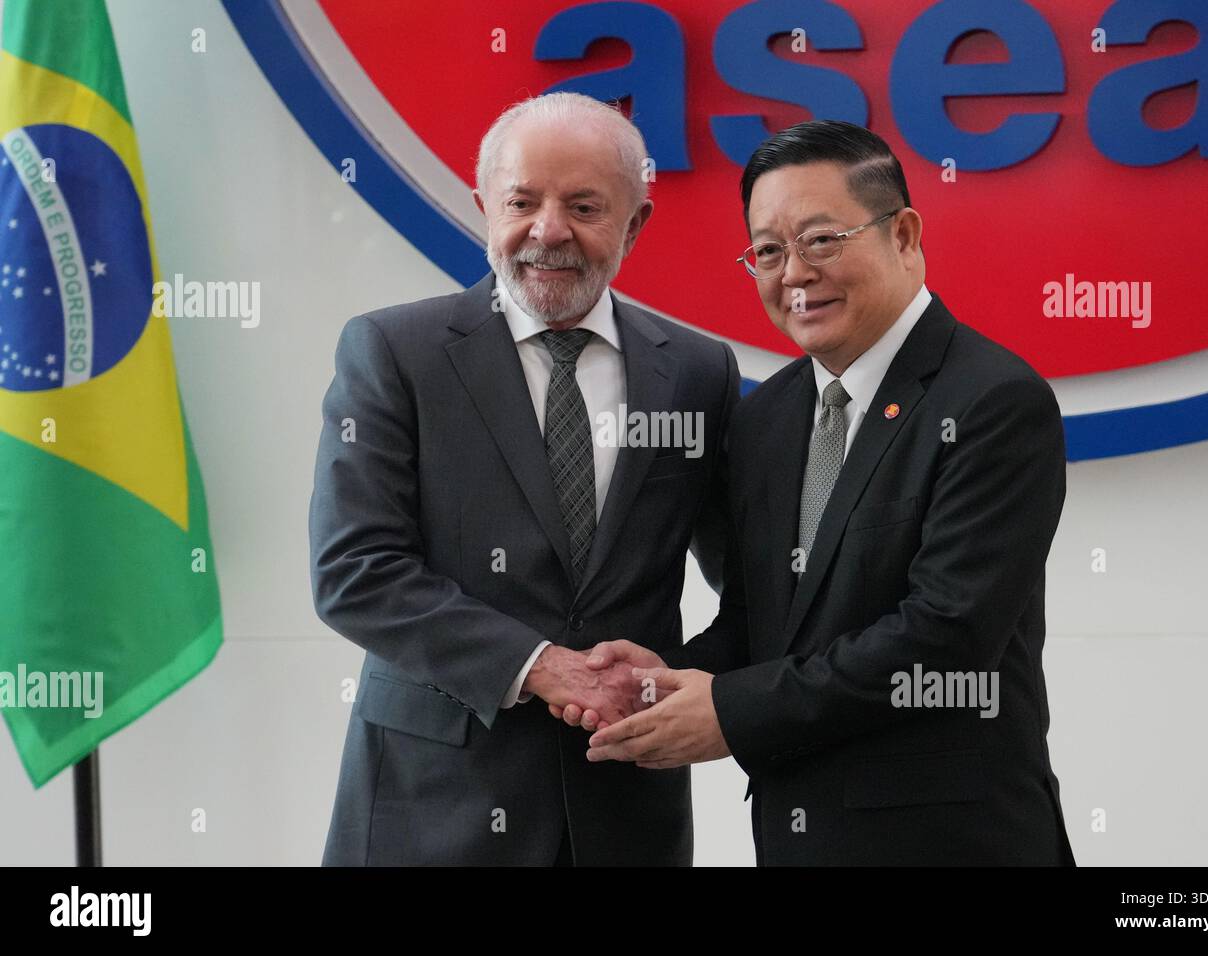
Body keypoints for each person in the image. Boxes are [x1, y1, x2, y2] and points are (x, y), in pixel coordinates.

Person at [574, 120, 1074, 866]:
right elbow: (761, 625)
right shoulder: (765, 417)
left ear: (903, 234)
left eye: (821, 240)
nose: (794, 274)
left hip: (954, 843)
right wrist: (660, 681)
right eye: (769, 251)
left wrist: (731, 714)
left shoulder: (994, 401)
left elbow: (945, 637)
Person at [309, 92, 738, 865]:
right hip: (433, 806)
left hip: (626, 809)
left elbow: (750, 580)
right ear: (483, 209)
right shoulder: (395, 352)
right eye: (522, 201)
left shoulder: (699, 372)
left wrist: (687, 681)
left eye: (584, 205)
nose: (549, 230)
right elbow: (354, 572)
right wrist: (543, 667)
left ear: (634, 223)